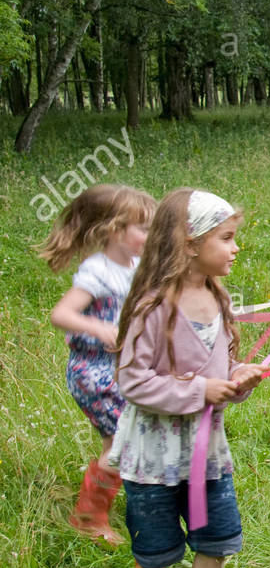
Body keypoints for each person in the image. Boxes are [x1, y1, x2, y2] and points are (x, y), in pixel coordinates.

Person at [110, 189, 267, 568]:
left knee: (214, 538)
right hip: (155, 457)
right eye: (227, 237)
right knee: (155, 542)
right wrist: (200, 391)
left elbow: (218, 368)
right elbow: (132, 380)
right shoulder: (154, 307)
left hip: (207, 455)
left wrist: (237, 380)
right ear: (190, 243)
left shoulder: (219, 299)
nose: (236, 247)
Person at [39, 184, 156, 546]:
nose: (151, 236)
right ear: (115, 231)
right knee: (121, 441)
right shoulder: (98, 270)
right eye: (143, 228)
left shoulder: (135, 265)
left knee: (132, 437)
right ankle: (89, 518)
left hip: (123, 370)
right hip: (95, 373)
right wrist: (98, 326)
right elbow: (61, 314)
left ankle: (124, 504)